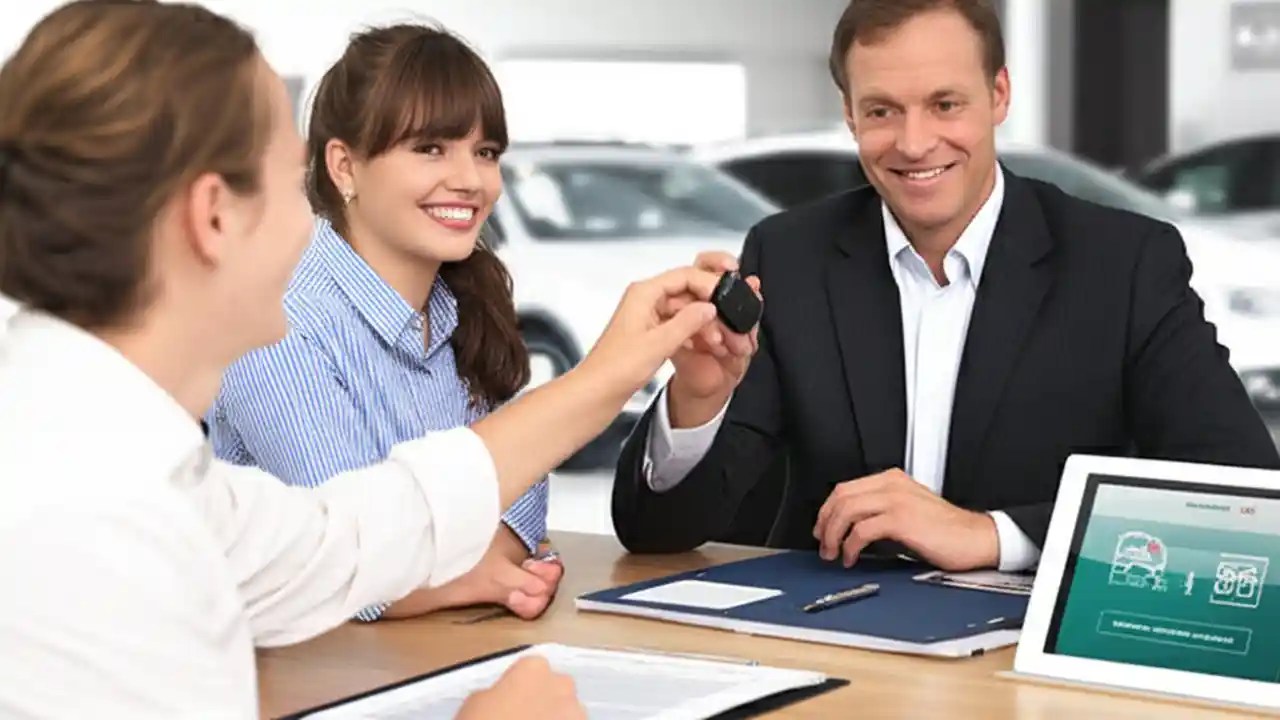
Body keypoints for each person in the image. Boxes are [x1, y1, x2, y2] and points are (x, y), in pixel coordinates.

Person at [0, 2, 742, 717]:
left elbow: (358, 531)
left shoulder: (129, 462)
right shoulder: (83, 518)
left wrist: (610, 373)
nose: (310, 219)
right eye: (292, 181)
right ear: (213, 216)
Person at [611, 0, 1280, 572]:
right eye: (881, 111)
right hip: (836, 653)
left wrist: (992, 535)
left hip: (1032, 659)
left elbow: (1241, 493)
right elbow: (656, 535)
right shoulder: (790, 257)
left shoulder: (1125, 262)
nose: (914, 141)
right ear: (849, 114)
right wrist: (697, 403)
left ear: (999, 96)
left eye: (945, 104)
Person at [207, 24, 560, 623]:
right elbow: (358, 566)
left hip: (436, 657)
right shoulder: (280, 321)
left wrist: (460, 565)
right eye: (430, 148)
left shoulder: (460, 306)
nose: (472, 180)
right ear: (344, 166)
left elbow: (523, 498)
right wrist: (463, 565)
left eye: (486, 152)